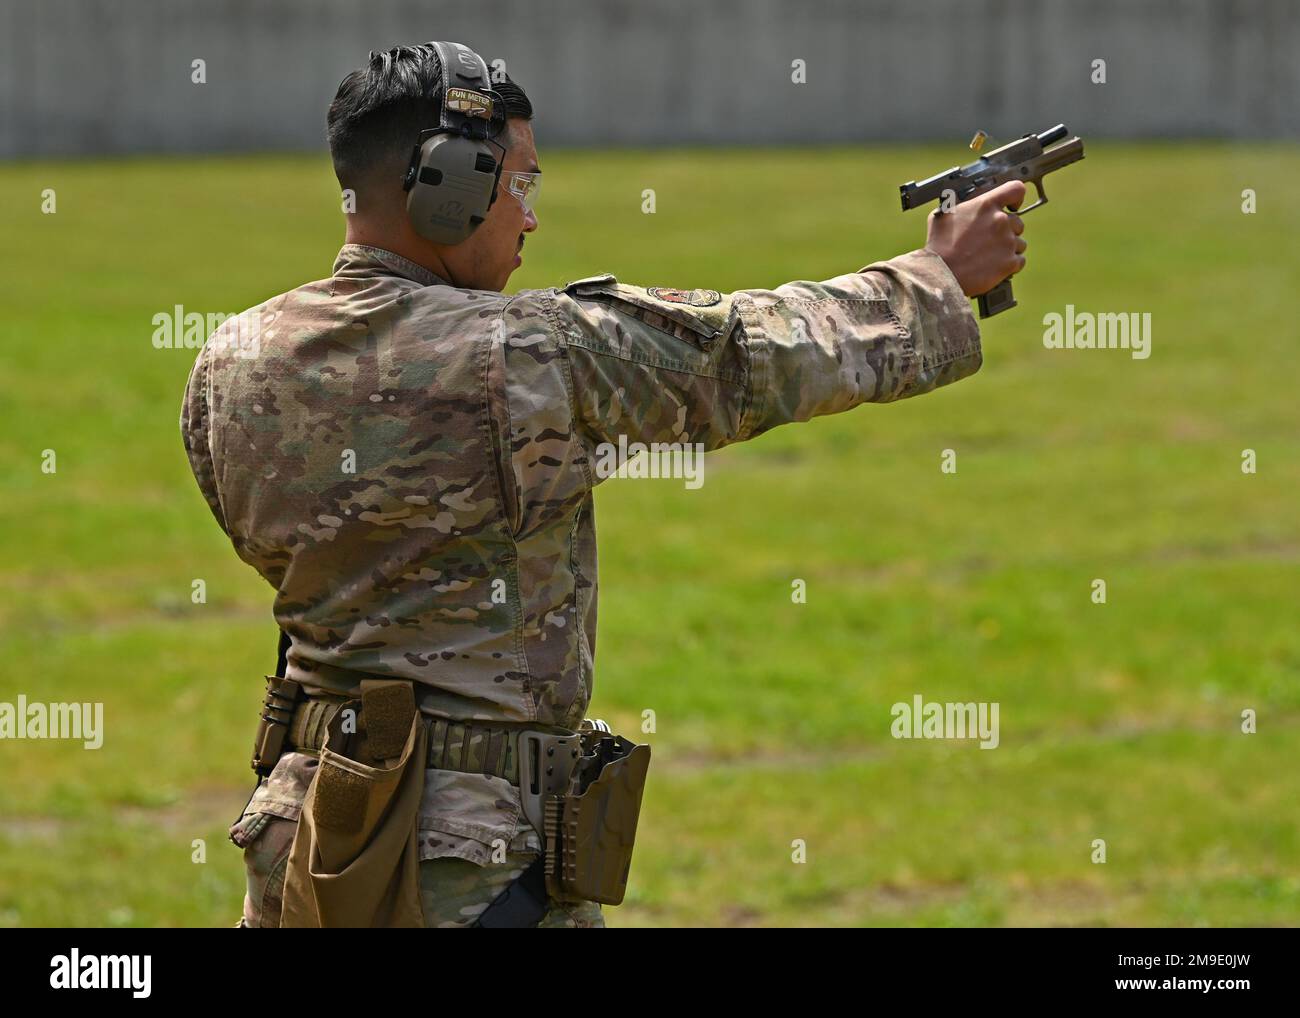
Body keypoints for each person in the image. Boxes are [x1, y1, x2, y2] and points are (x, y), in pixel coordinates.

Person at [180, 40, 1027, 928]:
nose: (531, 221)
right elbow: (748, 354)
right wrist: (934, 280)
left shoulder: (227, 363)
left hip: (305, 838)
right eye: (521, 186)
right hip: (469, 868)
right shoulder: (526, 354)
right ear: (451, 185)